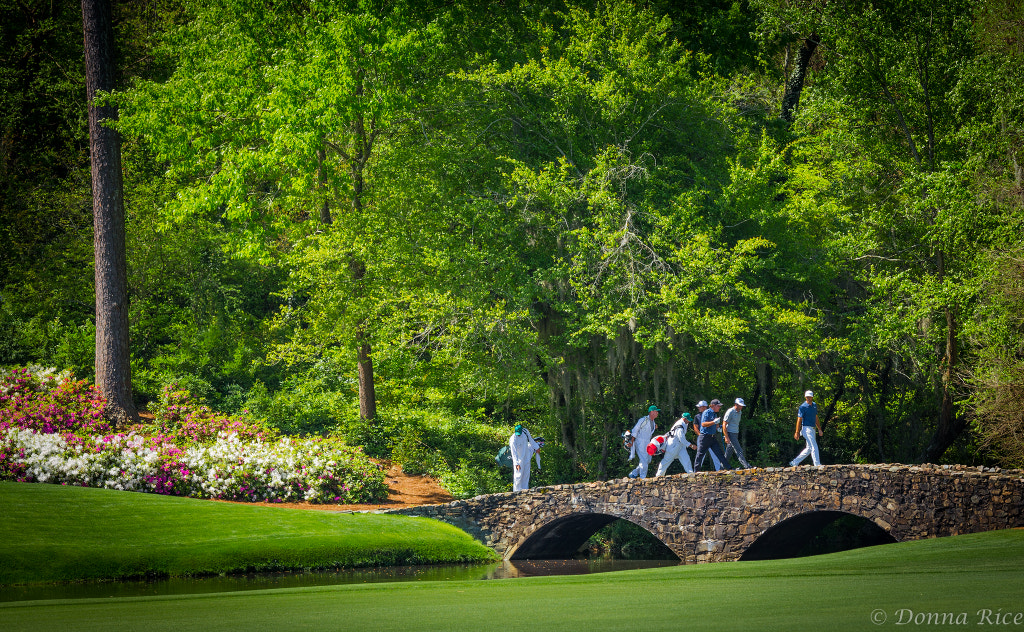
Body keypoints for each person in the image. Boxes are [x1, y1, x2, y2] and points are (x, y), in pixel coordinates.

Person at [693, 399, 729, 471]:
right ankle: (696, 472)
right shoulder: (707, 412)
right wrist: (713, 422)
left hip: (712, 437)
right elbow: (703, 424)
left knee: (719, 453)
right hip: (704, 437)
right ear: (713, 406)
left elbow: (715, 425)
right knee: (700, 455)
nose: (719, 407)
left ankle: (729, 468)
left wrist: (719, 428)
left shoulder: (714, 413)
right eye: (718, 406)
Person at [790, 390, 823, 467]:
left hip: (813, 429)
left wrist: (819, 429)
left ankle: (794, 462)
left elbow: (816, 417)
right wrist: (797, 432)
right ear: (805, 397)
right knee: (814, 446)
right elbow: (799, 419)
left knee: (809, 449)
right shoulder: (803, 407)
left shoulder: (814, 405)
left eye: (810, 397)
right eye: (807, 397)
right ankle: (817, 464)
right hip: (806, 429)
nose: (808, 398)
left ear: (812, 397)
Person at [627, 405, 659, 479]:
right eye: (656, 411)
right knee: (644, 460)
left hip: (647, 442)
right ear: (652, 412)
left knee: (648, 460)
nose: (657, 413)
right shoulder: (643, 420)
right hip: (640, 442)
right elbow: (635, 430)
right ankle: (642, 478)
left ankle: (634, 473)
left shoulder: (653, 423)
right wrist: (631, 441)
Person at [509, 423, 541, 491]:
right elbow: (514, 453)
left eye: (520, 433)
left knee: (526, 475)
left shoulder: (525, 432)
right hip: (519, 459)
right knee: (518, 475)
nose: (519, 435)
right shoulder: (513, 439)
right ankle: (517, 491)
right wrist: (516, 463)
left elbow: (531, 440)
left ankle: (525, 490)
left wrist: (537, 447)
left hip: (526, 456)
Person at [723, 398, 752, 469]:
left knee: (728, 453)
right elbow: (724, 424)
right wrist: (726, 437)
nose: (741, 407)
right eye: (740, 405)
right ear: (736, 404)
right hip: (730, 433)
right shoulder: (730, 411)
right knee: (739, 450)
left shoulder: (740, 412)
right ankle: (747, 466)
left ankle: (721, 467)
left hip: (735, 433)